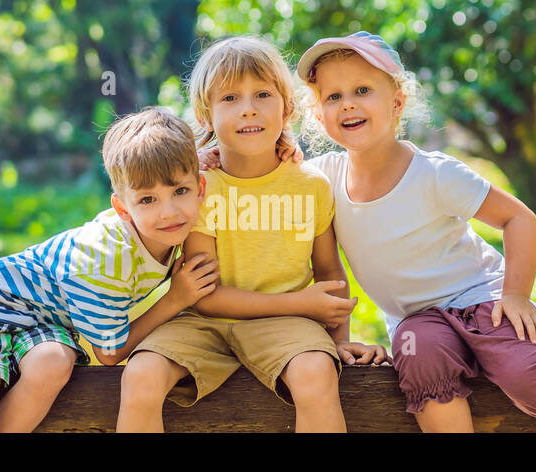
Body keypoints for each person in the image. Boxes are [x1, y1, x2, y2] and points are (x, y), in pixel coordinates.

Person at [285, 31, 536, 433]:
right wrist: (216, 153)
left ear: (396, 102)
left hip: (481, 299)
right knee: (420, 359)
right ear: (319, 116)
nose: (349, 103)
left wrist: (515, 295)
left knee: (524, 374)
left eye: (362, 89)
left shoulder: (434, 174)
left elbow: (519, 219)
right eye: (334, 96)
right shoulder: (323, 180)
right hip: (416, 321)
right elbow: (263, 170)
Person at [117, 35, 383, 433]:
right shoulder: (198, 188)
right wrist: (299, 303)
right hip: (202, 323)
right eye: (229, 99)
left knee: (316, 373)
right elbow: (205, 298)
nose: (248, 110)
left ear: (286, 108)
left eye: (262, 94)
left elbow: (330, 272)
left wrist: (338, 339)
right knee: (140, 375)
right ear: (206, 116)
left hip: (288, 325)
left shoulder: (311, 186)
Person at [0, 107, 219, 433]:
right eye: (148, 200)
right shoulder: (108, 259)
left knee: (52, 364)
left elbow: (209, 163)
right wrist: (174, 299)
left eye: (179, 192)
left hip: (48, 322)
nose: (169, 212)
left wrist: (282, 146)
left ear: (199, 189)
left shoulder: (169, 226)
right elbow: (109, 353)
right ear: (123, 208)